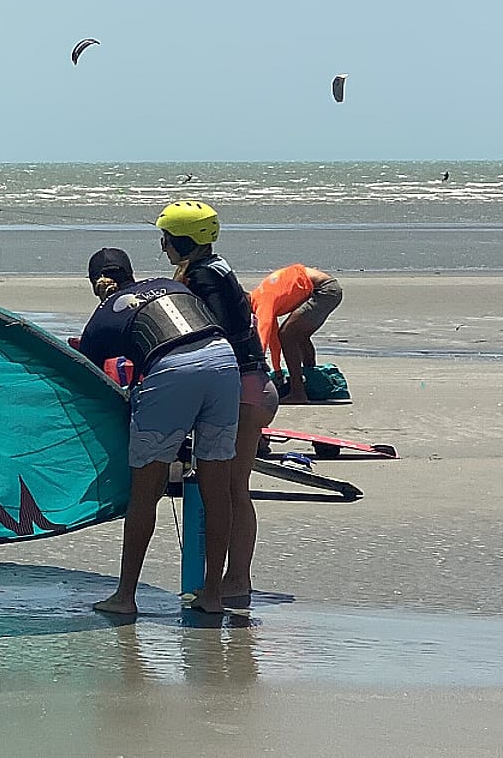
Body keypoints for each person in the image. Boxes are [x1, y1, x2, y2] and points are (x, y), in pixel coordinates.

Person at [77, 248, 241, 615]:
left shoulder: (106, 313)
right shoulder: (170, 283)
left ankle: (125, 597)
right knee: (217, 490)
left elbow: (85, 379)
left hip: (172, 370)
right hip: (222, 360)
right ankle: (212, 594)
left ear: (95, 284)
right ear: (132, 274)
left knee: (145, 494)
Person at [155, 201, 278, 606]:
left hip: (243, 389)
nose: (163, 247)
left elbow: (213, 332)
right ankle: (231, 577)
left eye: (167, 239)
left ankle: (236, 580)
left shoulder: (204, 277)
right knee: (231, 489)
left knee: (229, 490)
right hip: (253, 383)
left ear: (183, 240)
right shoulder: (217, 266)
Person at [249, 264, 342, 404]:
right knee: (298, 335)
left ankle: (298, 392)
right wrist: (277, 370)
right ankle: (311, 379)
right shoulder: (261, 297)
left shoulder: (261, 301)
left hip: (323, 289)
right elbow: (274, 341)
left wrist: (256, 365)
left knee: (288, 334)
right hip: (327, 288)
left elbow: (263, 335)